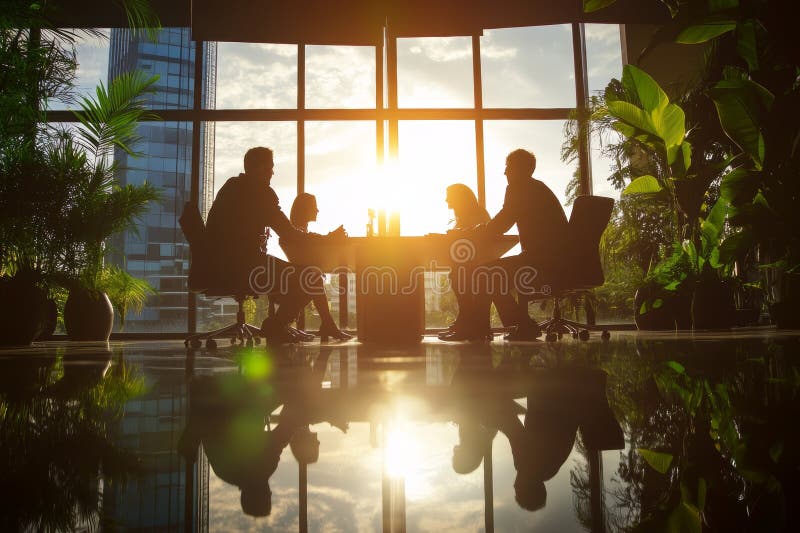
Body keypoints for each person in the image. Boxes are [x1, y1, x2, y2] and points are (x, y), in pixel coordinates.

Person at [204, 147, 331, 343]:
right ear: (261, 168)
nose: (273, 172)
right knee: (311, 276)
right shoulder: (260, 192)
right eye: (271, 167)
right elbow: (288, 233)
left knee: (299, 276)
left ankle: (279, 325)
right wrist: (326, 240)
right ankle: (276, 326)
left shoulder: (230, 187)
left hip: (217, 266)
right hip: (244, 267)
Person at [441, 149, 569, 342]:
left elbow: (500, 224)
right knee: (489, 274)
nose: (505, 173)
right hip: (553, 259)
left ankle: (482, 328)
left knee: (483, 273)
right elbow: (501, 223)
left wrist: (465, 233)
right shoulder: (536, 188)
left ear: (518, 169)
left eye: (508, 168)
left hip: (542, 260)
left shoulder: (520, 188)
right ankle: (516, 325)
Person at [439, 184, 539, 340]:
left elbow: (483, 237)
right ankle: (474, 324)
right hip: (477, 263)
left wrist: (457, 235)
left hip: (482, 262)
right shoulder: (465, 215)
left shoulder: (477, 214)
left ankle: (472, 325)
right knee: (460, 275)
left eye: (449, 196)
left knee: (463, 277)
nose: (446, 200)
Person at [285, 193, 352, 341]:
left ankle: (327, 324)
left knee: (314, 276)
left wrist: (329, 237)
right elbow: (306, 241)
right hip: (296, 280)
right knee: (314, 277)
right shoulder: (296, 233)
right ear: (305, 209)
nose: (317, 210)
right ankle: (328, 325)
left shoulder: (299, 232)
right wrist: (330, 237)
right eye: (314, 207)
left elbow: (309, 241)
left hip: (298, 277)